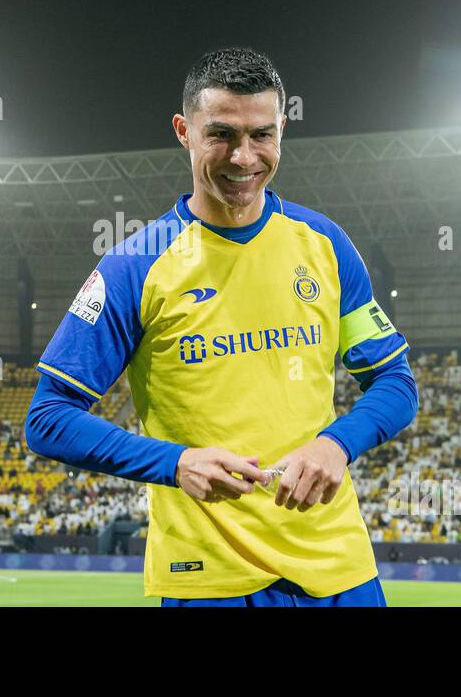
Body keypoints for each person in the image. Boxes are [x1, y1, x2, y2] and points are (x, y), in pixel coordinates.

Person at [25, 47, 418, 607]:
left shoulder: (325, 244)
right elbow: (47, 417)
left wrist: (337, 444)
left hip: (340, 571)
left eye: (262, 134)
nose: (244, 157)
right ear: (184, 131)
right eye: (222, 135)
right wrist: (175, 462)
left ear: (282, 128)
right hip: (208, 579)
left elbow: (396, 383)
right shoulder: (135, 265)